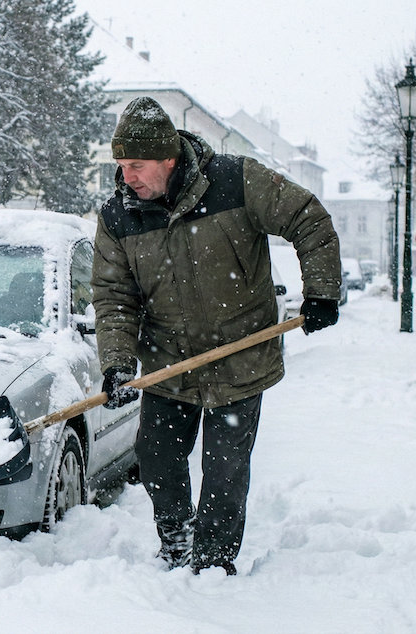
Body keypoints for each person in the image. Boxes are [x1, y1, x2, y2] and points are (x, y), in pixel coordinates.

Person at [91, 97, 341, 575]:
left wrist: (322, 294)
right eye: (121, 166)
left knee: (224, 471)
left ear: (168, 158)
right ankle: (177, 540)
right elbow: (113, 296)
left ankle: (211, 566)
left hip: (240, 358)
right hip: (168, 362)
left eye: (137, 165)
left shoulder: (235, 181)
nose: (127, 177)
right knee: (156, 457)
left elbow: (308, 217)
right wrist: (119, 361)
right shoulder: (117, 217)